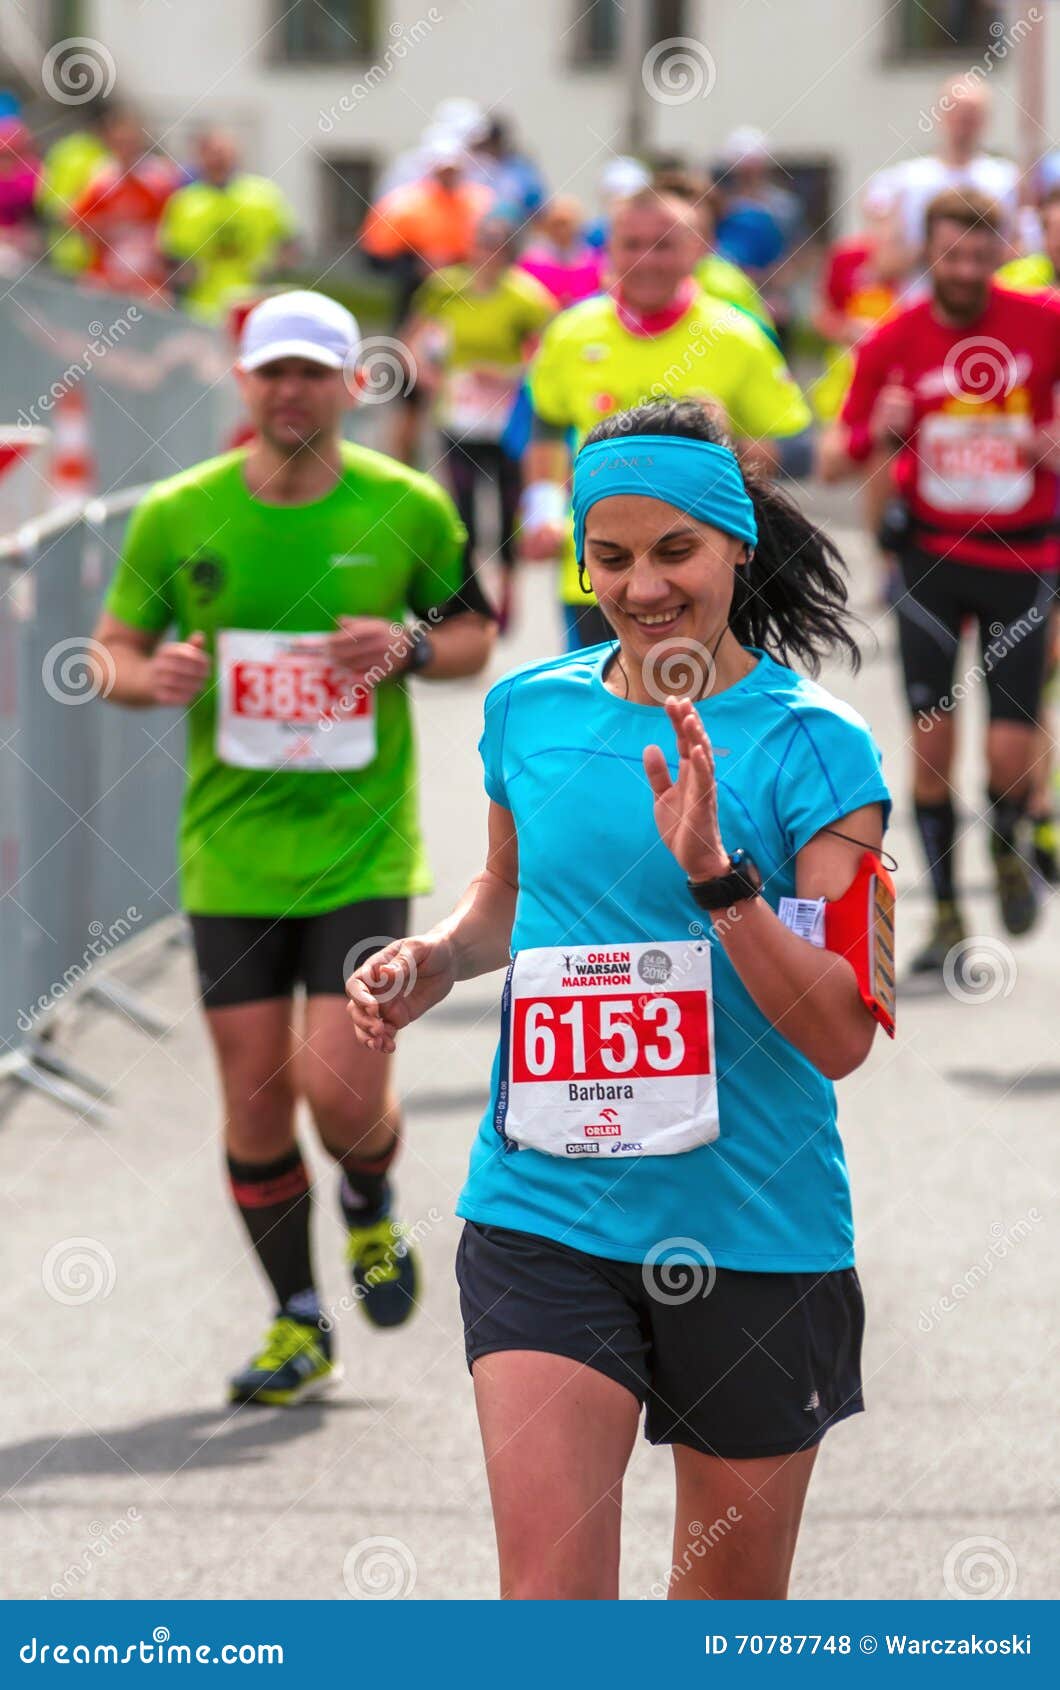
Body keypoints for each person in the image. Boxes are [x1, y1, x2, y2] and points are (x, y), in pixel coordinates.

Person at [347, 396, 894, 1601]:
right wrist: (430, 960)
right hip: (544, 1212)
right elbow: (505, 891)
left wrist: (718, 882)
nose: (641, 587)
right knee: (550, 1621)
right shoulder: (529, 709)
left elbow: (843, 1031)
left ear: (736, 546)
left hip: (754, 1230)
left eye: (673, 551)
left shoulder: (820, 748)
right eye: (610, 556)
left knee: (721, 1625)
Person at [91, 291, 494, 1405]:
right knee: (257, 1101)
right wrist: (149, 676)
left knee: (342, 1087)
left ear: (348, 385)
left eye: (311, 372)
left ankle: (367, 1199)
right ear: (244, 381)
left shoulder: (408, 507)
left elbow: (473, 634)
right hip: (230, 851)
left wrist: (409, 643)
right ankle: (296, 1320)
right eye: (270, 371)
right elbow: (113, 650)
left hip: (361, 847)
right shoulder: (181, 513)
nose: (289, 390)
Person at [821, 189, 1060, 971]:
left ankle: (1005, 846)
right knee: (931, 744)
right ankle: (949, 914)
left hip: (1024, 558)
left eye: (980, 256)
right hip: (930, 558)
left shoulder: (1041, 323)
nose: (965, 270)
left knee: (1009, 749)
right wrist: (877, 431)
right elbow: (839, 450)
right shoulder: (895, 336)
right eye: (950, 255)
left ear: (1001, 254)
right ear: (928, 253)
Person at [521, 189, 812, 650]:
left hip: (706, 580)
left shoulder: (737, 335)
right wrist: (540, 510)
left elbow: (801, 452)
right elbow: (547, 426)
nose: (646, 260)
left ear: (696, 250)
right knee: (607, 718)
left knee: (702, 719)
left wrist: (728, 439)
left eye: (664, 245)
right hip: (597, 576)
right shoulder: (571, 332)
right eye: (631, 244)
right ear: (608, 251)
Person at [406, 211, 555, 630]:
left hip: (508, 423)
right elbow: (413, 337)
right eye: (483, 244)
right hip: (458, 417)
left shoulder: (527, 297)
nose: (489, 254)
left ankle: (508, 590)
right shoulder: (445, 287)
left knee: (508, 512)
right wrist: (427, 372)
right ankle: (473, 598)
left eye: (498, 246)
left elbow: (551, 357)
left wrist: (508, 376)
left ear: (509, 253)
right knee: (465, 514)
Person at [360, 134, 494, 463]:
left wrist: (459, 263)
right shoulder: (406, 205)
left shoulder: (480, 202)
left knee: (461, 395)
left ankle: (460, 468)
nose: (448, 175)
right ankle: (404, 467)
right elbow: (375, 259)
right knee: (409, 395)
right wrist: (416, 262)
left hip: (467, 310)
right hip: (417, 308)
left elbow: (499, 253)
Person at [870, 78, 1019, 274]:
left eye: (972, 115)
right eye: (957, 113)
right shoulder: (904, 180)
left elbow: (1019, 251)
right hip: (923, 299)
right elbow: (884, 263)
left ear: (985, 120)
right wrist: (939, 252)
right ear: (940, 116)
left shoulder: (1007, 178)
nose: (963, 123)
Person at [159, 127, 297, 321]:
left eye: (224, 152)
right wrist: (185, 276)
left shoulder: (263, 195)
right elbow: (171, 257)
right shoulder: (186, 202)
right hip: (202, 309)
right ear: (200, 157)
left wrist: (271, 268)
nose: (219, 159)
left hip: (255, 306)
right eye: (212, 153)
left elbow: (290, 244)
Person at [69, 107, 181, 299]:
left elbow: (173, 224)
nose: (125, 148)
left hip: (147, 278)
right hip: (106, 274)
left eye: (130, 142)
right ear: (110, 141)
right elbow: (78, 221)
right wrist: (109, 227)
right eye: (119, 142)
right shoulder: (100, 176)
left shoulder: (159, 177)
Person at [517, 196, 606, 310]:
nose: (561, 230)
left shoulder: (595, 263)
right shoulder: (530, 264)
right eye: (556, 224)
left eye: (565, 224)